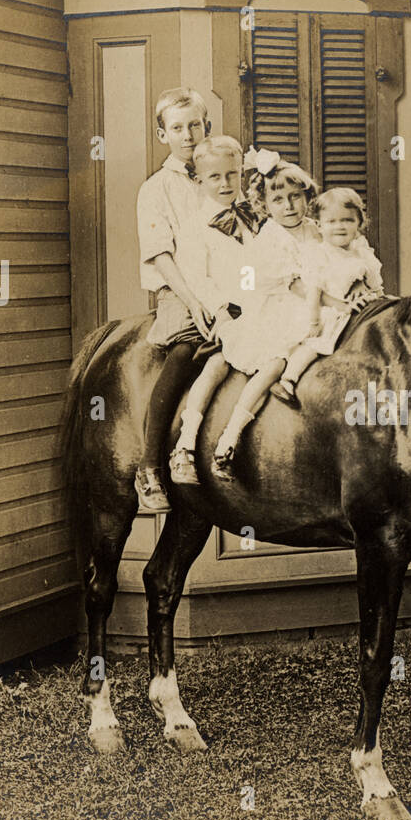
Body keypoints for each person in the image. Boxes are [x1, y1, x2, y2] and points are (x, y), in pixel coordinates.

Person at [204, 149, 323, 480]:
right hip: (282, 310)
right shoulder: (271, 237)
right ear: (265, 206)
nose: (288, 206)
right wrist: (330, 300)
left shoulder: (316, 229)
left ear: (307, 197)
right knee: (276, 363)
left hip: (318, 305)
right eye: (279, 200)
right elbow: (296, 285)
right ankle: (231, 435)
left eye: (295, 197)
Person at [134, 87, 215, 513]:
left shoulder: (220, 178)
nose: (188, 136)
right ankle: (149, 467)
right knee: (189, 344)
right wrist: (194, 299)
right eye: (178, 128)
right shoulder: (157, 188)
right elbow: (161, 253)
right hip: (180, 288)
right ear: (162, 132)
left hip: (224, 284)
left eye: (195, 126)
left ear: (208, 127)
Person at [165, 136, 262, 485]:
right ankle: (187, 443)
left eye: (232, 175)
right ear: (199, 181)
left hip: (262, 307)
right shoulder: (194, 229)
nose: (225, 184)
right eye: (215, 177)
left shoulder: (256, 217)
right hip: (228, 312)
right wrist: (221, 310)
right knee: (220, 362)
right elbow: (198, 278)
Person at [271, 187, 383, 409]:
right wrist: (313, 321)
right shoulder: (319, 253)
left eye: (347, 220)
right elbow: (314, 291)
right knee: (317, 342)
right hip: (327, 312)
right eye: (331, 221)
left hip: (356, 310)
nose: (340, 226)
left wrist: (376, 297)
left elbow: (375, 284)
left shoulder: (362, 252)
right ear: (319, 226)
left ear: (359, 224)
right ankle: (288, 379)